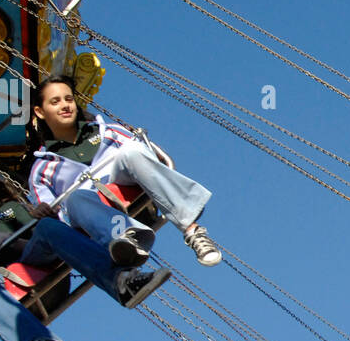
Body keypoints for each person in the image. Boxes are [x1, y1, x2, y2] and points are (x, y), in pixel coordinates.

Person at [0, 162, 170, 341]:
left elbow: (40, 240)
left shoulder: (9, 210)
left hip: (31, 263)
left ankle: (121, 281)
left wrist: (8, 239)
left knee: (47, 227)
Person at [27, 75, 221, 267]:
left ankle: (192, 230)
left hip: (122, 179)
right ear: (40, 111)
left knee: (131, 150)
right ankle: (125, 241)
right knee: (75, 198)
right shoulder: (42, 169)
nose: (65, 105)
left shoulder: (108, 131)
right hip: (89, 206)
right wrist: (45, 211)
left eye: (69, 99)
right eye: (55, 102)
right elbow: (51, 209)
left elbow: (144, 155)